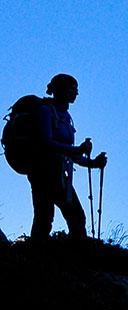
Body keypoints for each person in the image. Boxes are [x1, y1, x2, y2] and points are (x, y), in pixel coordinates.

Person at [26, 74, 106, 239]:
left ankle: (39, 255)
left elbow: (69, 152)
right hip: (42, 172)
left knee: (52, 217)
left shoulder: (65, 116)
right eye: (73, 89)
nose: (76, 94)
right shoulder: (45, 111)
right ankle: (68, 256)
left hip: (58, 174)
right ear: (61, 90)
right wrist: (78, 150)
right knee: (50, 217)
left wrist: (92, 163)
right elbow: (46, 142)